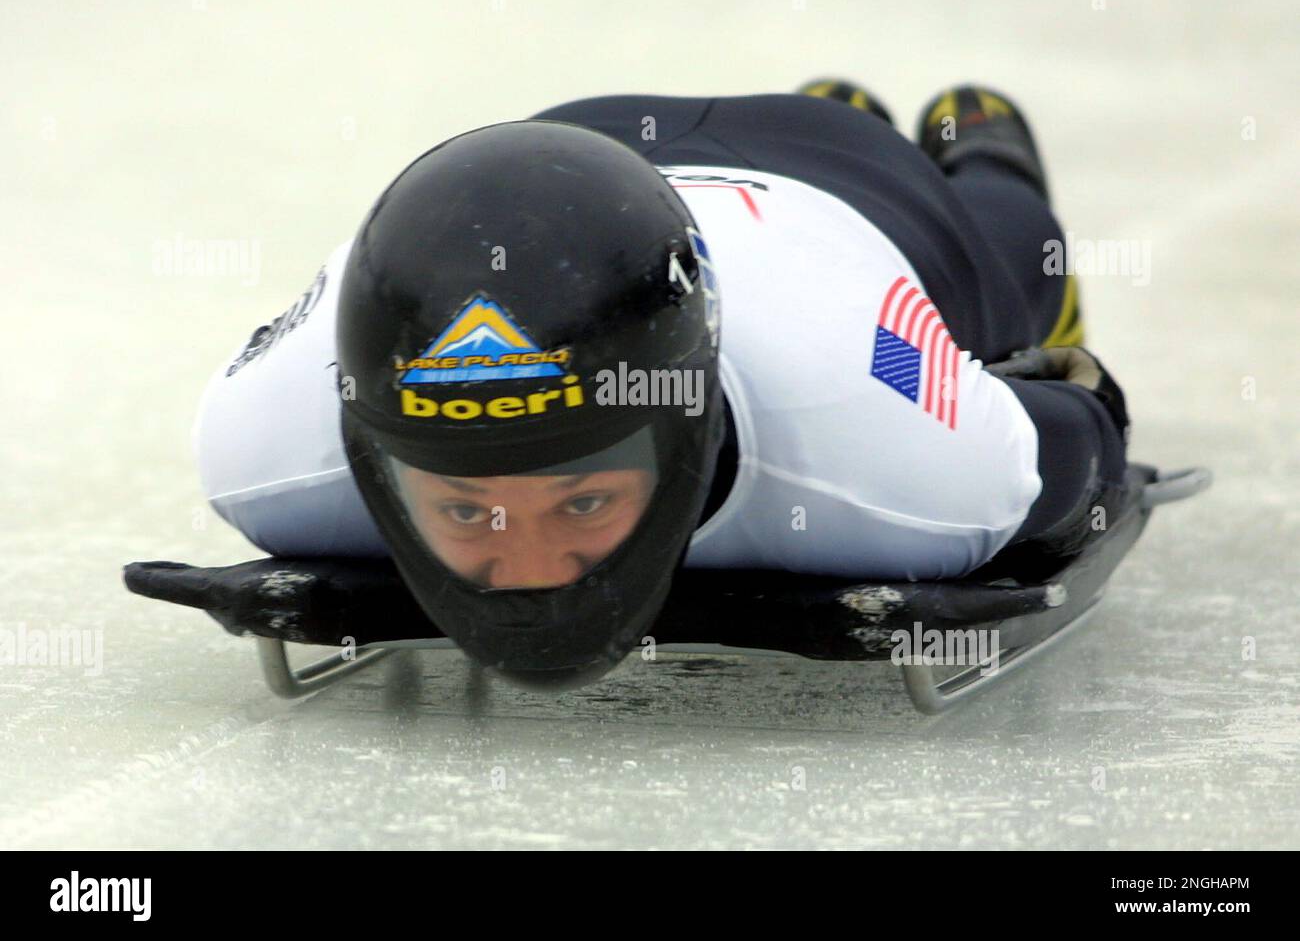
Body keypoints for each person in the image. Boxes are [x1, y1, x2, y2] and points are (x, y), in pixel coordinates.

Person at [193, 81, 1129, 688]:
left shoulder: (900, 460)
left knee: (1015, 261)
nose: (531, 575)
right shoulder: (267, 443)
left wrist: (1060, 393)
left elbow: (1077, 430)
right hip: (560, 164)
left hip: (846, 180)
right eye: (466, 510)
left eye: (584, 497)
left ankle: (979, 142)